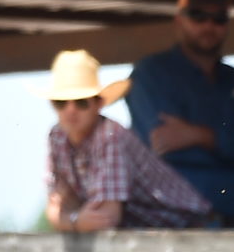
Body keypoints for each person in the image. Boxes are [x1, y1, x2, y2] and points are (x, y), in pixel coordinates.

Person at [125, 0, 234, 227]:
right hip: (163, 227)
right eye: (198, 16)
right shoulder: (150, 74)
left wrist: (200, 136)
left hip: (228, 225)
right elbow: (161, 145)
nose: (208, 25)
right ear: (179, 21)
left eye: (219, 18)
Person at [38, 49, 215, 232]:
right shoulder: (56, 136)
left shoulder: (110, 135)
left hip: (191, 227)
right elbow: (55, 208)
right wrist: (76, 221)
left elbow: (105, 218)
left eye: (81, 102)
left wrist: (71, 221)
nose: (70, 110)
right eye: (61, 102)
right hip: (151, 234)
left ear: (99, 103)